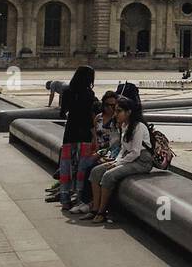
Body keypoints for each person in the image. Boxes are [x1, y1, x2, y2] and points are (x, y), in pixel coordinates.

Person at [81, 94, 153, 225]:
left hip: (142, 161)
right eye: (116, 111)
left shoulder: (138, 127)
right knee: (96, 171)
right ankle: (95, 208)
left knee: (108, 176)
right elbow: (123, 149)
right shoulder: (124, 126)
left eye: (119, 111)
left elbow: (136, 152)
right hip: (128, 158)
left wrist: (117, 163)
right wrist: (115, 162)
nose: (116, 114)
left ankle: (102, 212)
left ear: (129, 112)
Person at [51, 66, 97, 212]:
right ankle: (78, 199)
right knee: (82, 167)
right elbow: (91, 116)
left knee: (67, 166)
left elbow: (62, 113)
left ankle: (65, 200)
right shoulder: (89, 94)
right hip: (84, 133)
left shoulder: (67, 91)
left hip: (70, 132)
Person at [69, 92, 119, 212]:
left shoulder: (117, 120)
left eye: (113, 105)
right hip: (100, 150)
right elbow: (95, 138)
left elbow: (117, 143)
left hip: (110, 152)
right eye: (107, 105)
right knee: (82, 165)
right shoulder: (99, 118)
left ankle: (89, 202)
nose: (110, 108)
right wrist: (95, 151)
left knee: (91, 168)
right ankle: (81, 199)